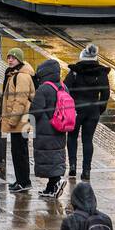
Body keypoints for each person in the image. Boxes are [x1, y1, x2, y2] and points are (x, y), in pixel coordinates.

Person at [64, 44, 110, 181]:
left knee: (72, 137)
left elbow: (65, 89)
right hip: (93, 110)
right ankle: (86, 171)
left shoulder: (74, 72)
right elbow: (106, 93)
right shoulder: (101, 73)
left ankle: (72, 166)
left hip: (76, 110)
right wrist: (99, 109)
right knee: (87, 140)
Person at [30, 58, 68, 198]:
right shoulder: (63, 86)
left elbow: (35, 112)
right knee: (56, 155)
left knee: (47, 156)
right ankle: (51, 187)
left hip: (45, 130)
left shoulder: (44, 88)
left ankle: (57, 181)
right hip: (60, 127)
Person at [1, 47, 36, 193]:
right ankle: (21, 180)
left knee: (20, 152)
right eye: (8, 57)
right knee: (17, 152)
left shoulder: (21, 76)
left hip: (21, 121)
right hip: (19, 120)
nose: (10, 60)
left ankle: (23, 182)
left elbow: (20, 101)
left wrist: (12, 120)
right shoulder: (14, 74)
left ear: (19, 60)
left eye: (13, 58)